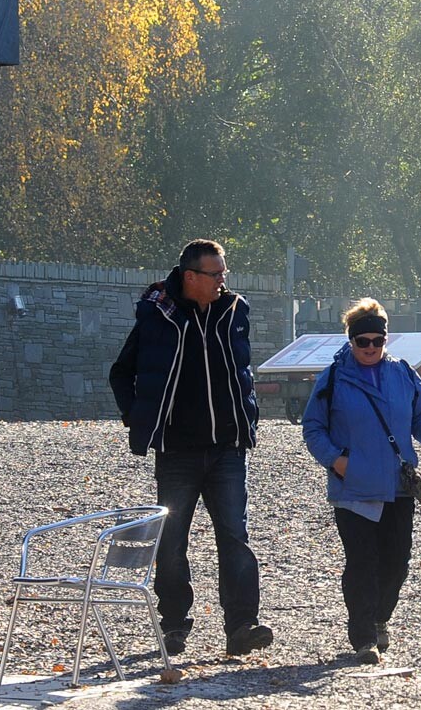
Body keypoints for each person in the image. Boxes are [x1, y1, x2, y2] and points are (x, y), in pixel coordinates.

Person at [107, 239, 271, 660]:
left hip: (228, 449)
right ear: (190, 277)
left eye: (224, 273)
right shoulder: (158, 313)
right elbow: (121, 372)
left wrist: (247, 420)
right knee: (172, 541)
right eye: (215, 274)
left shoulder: (235, 312)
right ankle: (174, 624)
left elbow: (242, 371)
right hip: (176, 451)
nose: (222, 281)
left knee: (235, 536)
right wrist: (134, 416)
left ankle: (241, 627)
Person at [302, 298, 421, 665]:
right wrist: (336, 461)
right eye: (362, 341)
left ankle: (381, 617)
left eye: (377, 341)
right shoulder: (333, 376)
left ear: (386, 340)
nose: (370, 348)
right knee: (362, 562)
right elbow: (313, 427)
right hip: (353, 488)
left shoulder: (404, 373)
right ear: (350, 341)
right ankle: (364, 636)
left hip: (397, 486)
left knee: (397, 561)